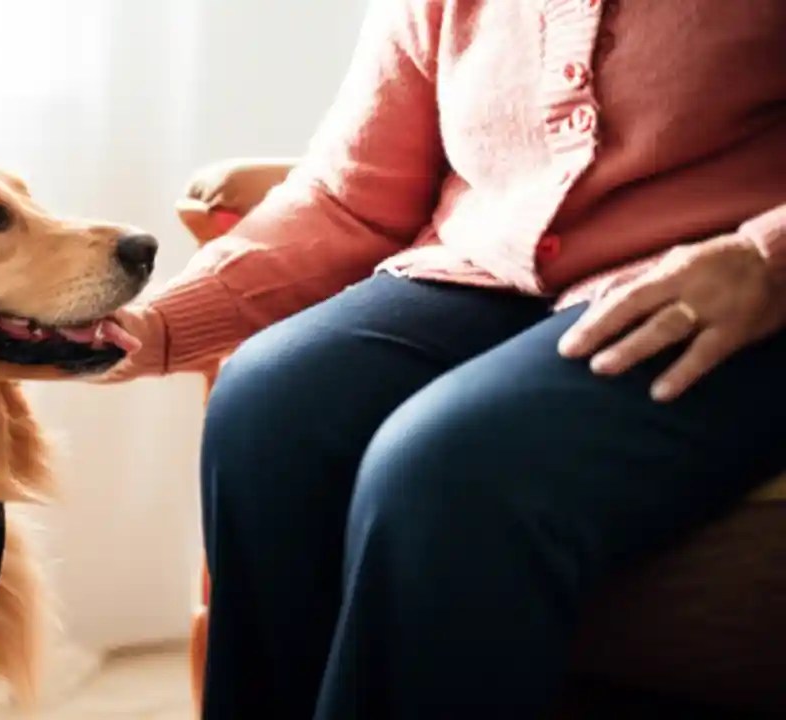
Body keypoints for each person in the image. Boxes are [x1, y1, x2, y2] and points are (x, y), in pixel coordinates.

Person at [95, 0, 786, 718]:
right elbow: (349, 200)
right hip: (485, 267)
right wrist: (155, 328)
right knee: (267, 408)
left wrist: (766, 261)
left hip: (727, 293)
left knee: (450, 469)